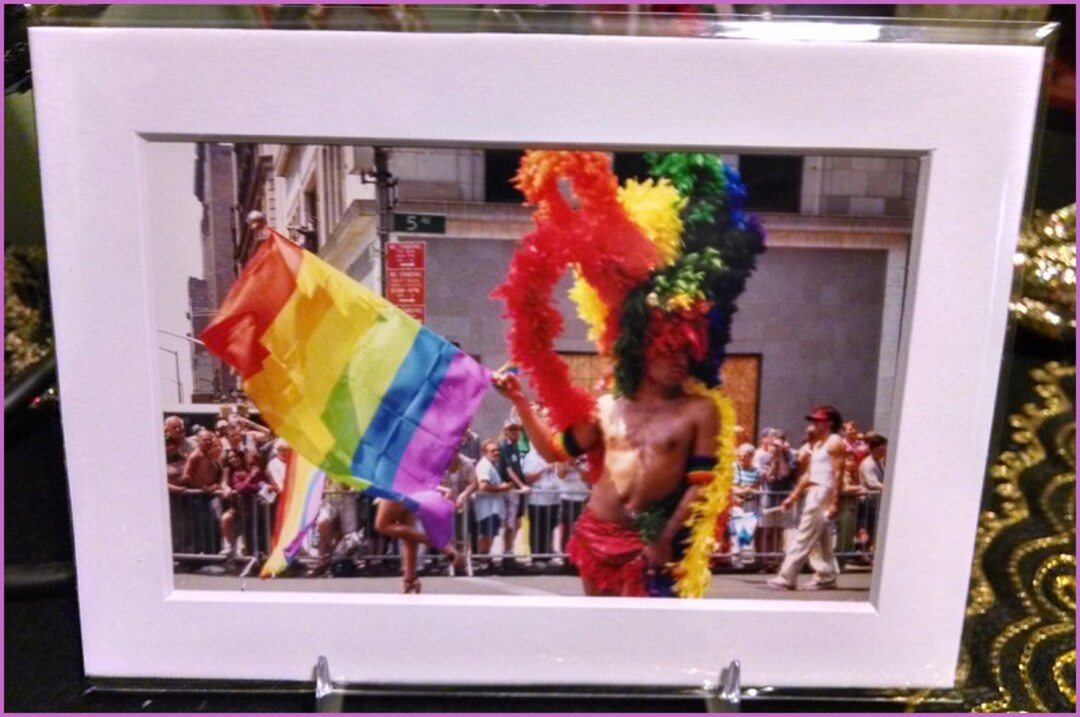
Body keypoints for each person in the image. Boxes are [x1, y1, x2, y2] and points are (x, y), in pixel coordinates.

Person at [494, 346, 719, 597]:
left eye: (686, 353)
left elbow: (703, 483)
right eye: (668, 350)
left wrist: (665, 538)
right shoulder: (606, 406)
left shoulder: (701, 410)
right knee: (600, 628)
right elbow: (555, 451)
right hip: (596, 533)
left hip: (651, 542)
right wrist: (520, 401)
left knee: (646, 632)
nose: (680, 360)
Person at [767, 405, 844, 591]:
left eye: (818, 421)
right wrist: (793, 497)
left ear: (829, 422)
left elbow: (838, 474)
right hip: (814, 490)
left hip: (823, 491)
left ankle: (787, 576)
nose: (813, 424)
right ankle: (827, 576)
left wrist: (835, 503)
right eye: (813, 421)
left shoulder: (835, 442)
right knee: (822, 537)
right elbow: (808, 474)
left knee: (804, 535)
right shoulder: (817, 445)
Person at [471, 439, 511, 573]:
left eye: (497, 450)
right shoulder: (485, 466)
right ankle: (483, 561)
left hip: (493, 508)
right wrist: (501, 487)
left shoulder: (491, 465)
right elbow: (483, 486)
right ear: (484, 452)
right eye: (492, 450)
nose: (496, 453)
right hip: (487, 508)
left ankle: (486, 558)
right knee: (486, 534)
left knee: (490, 534)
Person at [496, 420, 530, 568]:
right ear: (506, 432)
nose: (515, 433)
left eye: (517, 430)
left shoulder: (516, 447)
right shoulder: (504, 447)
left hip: (517, 491)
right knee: (510, 524)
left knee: (515, 522)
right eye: (512, 430)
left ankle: (509, 552)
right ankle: (506, 554)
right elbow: (509, 469)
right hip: (510, 489)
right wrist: (522, 485)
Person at [523, 445, 561, 568]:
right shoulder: (531, 457)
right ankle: (536, 557)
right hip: (537, 498)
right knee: (537, 528)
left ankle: (547, 555)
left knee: (549, 527)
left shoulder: (552, 455)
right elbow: (528, 478)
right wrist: (544, 469)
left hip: (552, 497)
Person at [858, 432, 887, 558]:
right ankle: (863, 552)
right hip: (869, 501)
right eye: (883, 446)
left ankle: (868, 551)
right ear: (875, 448)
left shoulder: (879, 462)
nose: (885, 449)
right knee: (868, 526)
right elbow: (872, 483)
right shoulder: (868, 464)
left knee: (873, 527)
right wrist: (888, 488)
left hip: (877, 501)